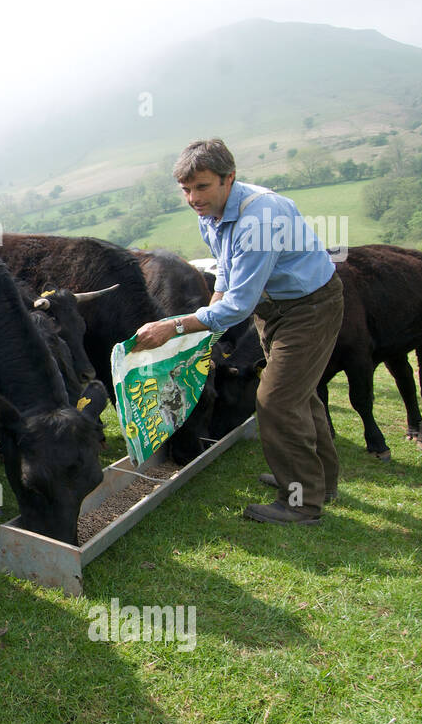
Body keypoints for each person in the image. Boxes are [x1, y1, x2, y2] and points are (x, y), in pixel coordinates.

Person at [133, 138, 343, 525]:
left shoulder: (259, 220)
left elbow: (238, 306)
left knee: (277, 399)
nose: (193, 198)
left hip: (308, 307)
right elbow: (227, 270)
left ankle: (301, 505)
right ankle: (318, 483)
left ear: (229, 178)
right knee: (300, 394)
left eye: (202, 186)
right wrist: (208, 318)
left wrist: (175, 326)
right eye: (186, 189)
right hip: (273, 306)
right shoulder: (211, 212)